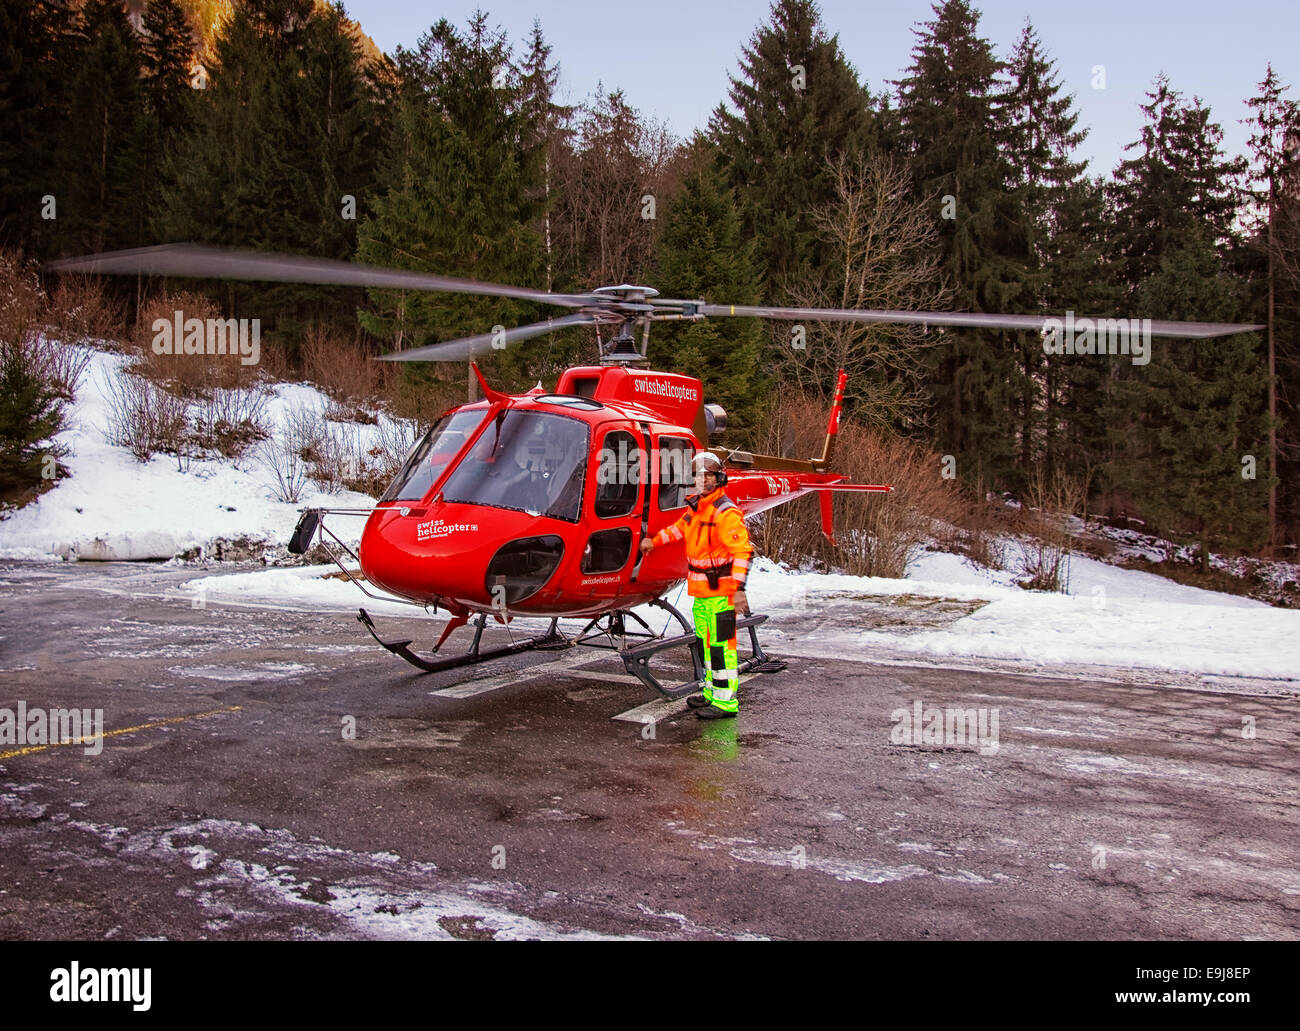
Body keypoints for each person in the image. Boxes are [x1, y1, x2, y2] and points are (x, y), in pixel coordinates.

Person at [639, 451, 752, 719]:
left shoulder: (726, 513)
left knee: (722, 648)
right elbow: (678, 529)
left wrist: (738, 590)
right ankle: (712, 692)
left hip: (722, 594)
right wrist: (654, 542)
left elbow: (743, 552)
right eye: (699, 476)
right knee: (706, 644)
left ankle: (725, 703)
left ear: (719, 478)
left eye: (708, 476)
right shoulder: (696, 509)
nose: (702, 481)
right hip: (702, 594)